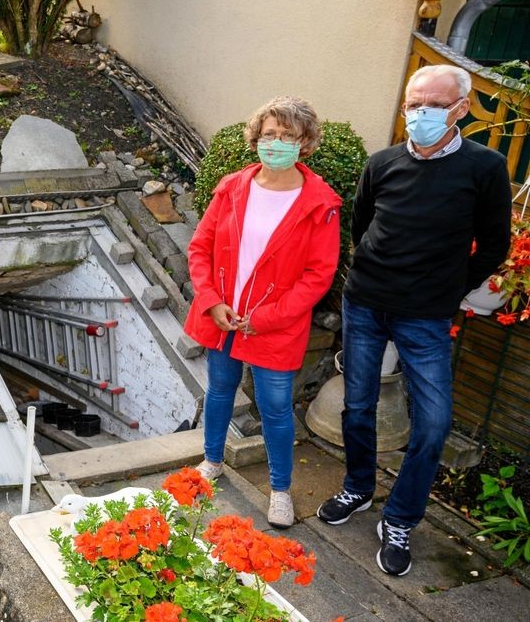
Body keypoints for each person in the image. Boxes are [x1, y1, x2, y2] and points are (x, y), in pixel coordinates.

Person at [317, 65, 511, 576]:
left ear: (461, 109)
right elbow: (361, 224)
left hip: (426, 317)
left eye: (431, 105)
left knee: (432, 423)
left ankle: (400, 517)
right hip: (365, 304)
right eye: (412, 104)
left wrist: (448, 289)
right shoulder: (382, 162)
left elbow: (494, 245)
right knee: (357, 407)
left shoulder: (485, 168)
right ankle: (358, 487)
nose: (418, 114)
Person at [185, 96, 342, 529]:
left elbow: (318, 275)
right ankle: (212, 461)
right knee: (219, 391)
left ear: (305, 142)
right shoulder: (232, 187)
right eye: (269, 134)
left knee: (275, 407)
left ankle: (279, 490)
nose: (276, 142)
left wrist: (265, 318)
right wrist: (211, 300)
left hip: (275, 324)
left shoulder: (320, 203)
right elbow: (199, 247)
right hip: (223, 317)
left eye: (288, 136)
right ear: (256, 137)